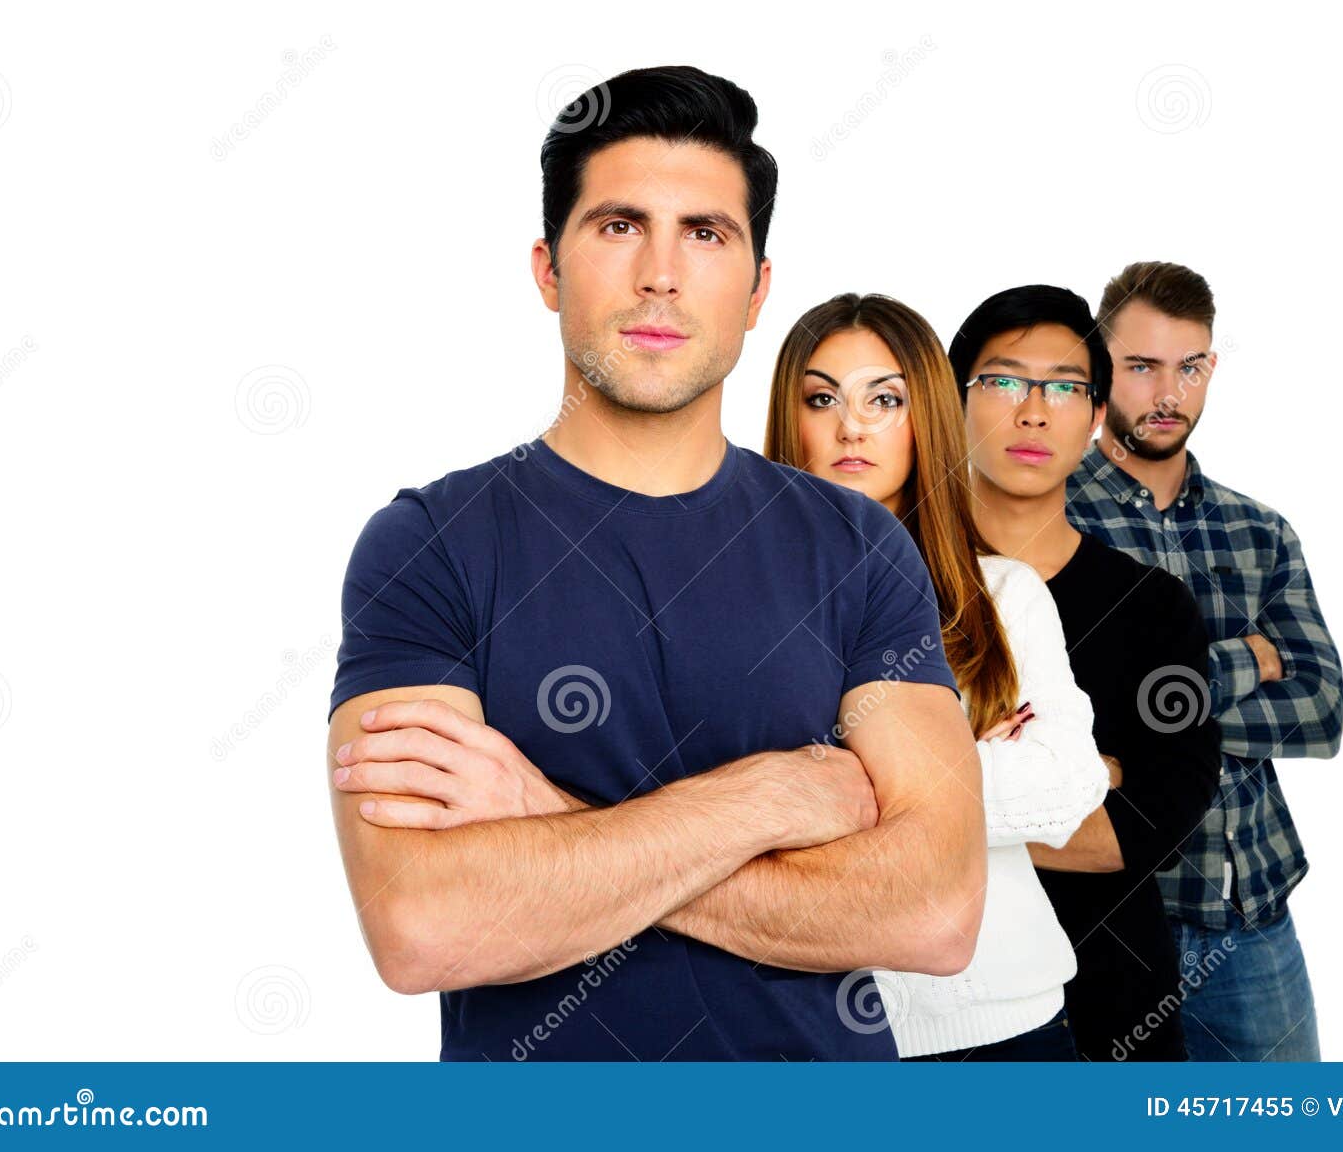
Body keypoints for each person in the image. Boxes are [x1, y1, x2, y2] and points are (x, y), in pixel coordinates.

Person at [323, 65, 987, 1062]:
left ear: (759, 287)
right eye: (620, 225)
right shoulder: (430, 543)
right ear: (548, 268)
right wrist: (770, 797)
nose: (661, 275)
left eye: (706, 233)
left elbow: (935, 909)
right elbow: (424, 924)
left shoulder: (855, 547)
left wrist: (546, 818)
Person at [762, 292, 1111, 1060]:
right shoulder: (738, 602)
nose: (852, 425)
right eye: (822, 398)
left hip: (1004, 1026)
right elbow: (707, 799)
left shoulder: (1005, 594)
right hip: (801, 1023)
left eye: (885, 398)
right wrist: (956, 760)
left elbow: (1064, 784)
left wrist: (821, 783)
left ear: (925, 417)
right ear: (790, 420)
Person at [1067, 261, 1343, 1061]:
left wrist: (1161, 715)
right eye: (1143, 366)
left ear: (1211, 367)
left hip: (1253, 916)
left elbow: (1323, 707)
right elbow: (1072, 724)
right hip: (1113, 917)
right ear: (1098, 367)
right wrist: (1246, 659)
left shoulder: (1260, 531)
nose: (1169, 394)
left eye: (1189, 367)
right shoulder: (1052, 522)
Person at [947, 284, 1223, 1061]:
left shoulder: (1154, 606)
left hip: (1115, 1004)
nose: (1034, 411)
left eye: (1066, 387)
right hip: (935, 1016)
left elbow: (1156, 819)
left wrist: (928, 805)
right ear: (951, 400)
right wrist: (1070, 780)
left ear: (1097, 415)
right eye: (1003, 380)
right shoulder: (891, 585)